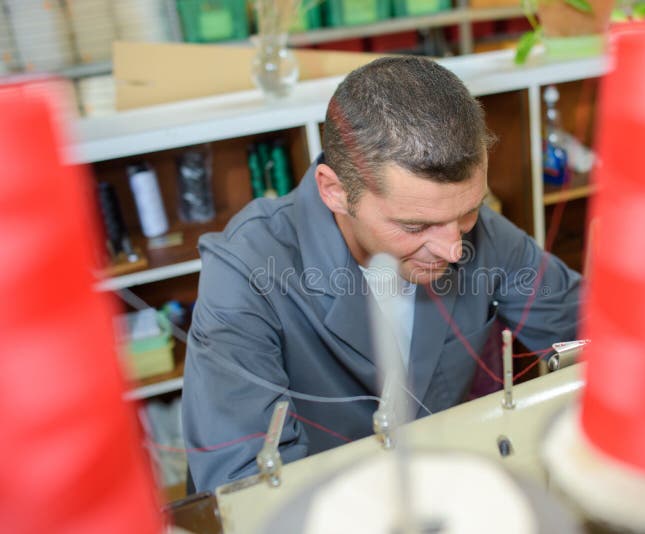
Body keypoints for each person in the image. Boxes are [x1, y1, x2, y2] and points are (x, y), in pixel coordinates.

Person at [182, 56, 582, 493]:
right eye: (414, 226)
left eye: (468, 211)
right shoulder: (247, 273)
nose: (453, 248)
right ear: (335, 191)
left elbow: (588, 327)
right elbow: (246, 488)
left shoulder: (470, 230)